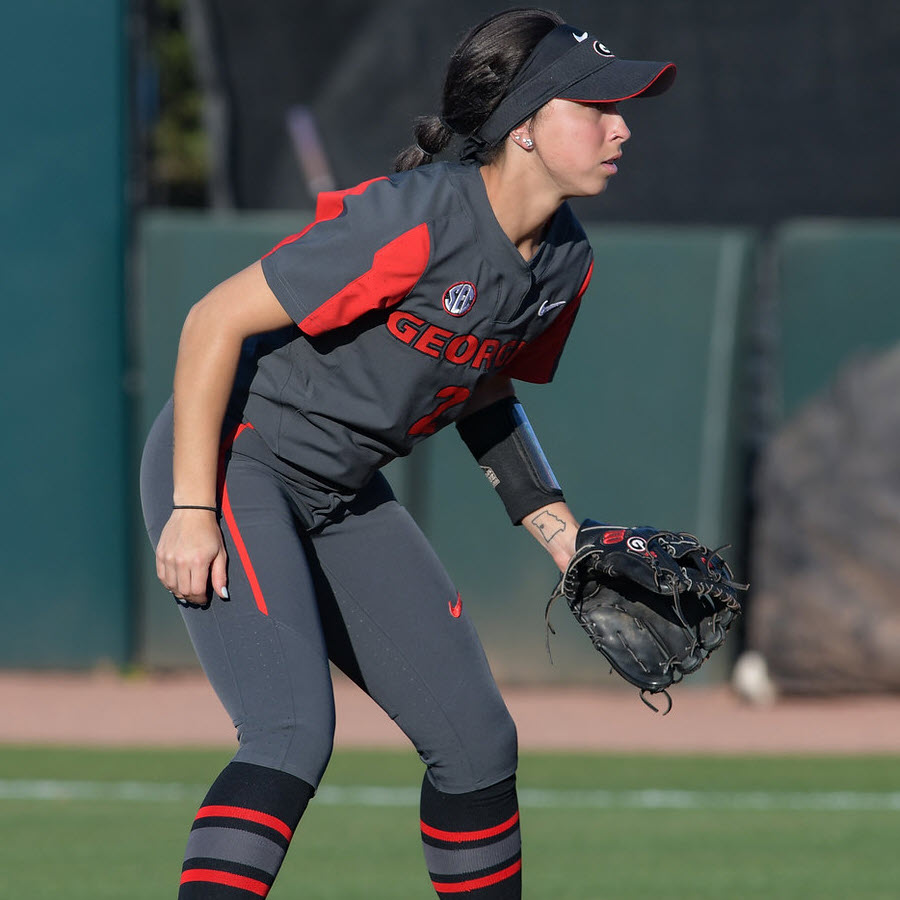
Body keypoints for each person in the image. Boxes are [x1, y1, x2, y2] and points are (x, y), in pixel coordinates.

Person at [140, 8, 675, 898]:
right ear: (525, 126)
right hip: (238, 459)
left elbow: (484, 390)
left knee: (476, 740)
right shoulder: (419, 216)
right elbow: (213, 321)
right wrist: (193, 510)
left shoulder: (564, 262)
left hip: (341, 491)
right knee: (289, 732)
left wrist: (567, 542)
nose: (621, 127)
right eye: (593, 106)